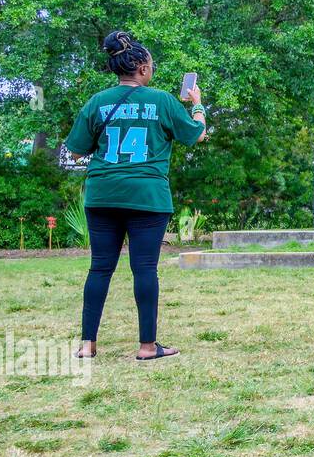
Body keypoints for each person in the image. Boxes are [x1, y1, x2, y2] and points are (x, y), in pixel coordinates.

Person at [63, 31, 207, 360]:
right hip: (147, 196)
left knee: (99, 269)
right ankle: (146, 347)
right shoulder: (162, 101)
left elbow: (73, 152)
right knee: (144, 269)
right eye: (151, 65)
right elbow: (196, 135)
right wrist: (197, 105)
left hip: (102, 195)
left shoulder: (97, 102)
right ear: (142, 68)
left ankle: (87, 344)